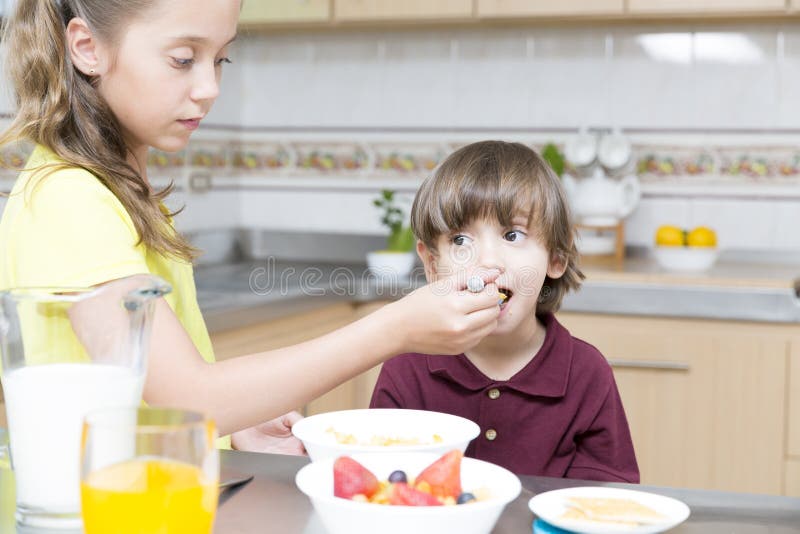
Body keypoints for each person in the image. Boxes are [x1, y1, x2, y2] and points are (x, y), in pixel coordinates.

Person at [0, 0, 503, 452]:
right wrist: (394, 328)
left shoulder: (111, 191)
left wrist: (231, 425)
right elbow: (186, 395)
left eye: (220, 59)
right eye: (182, 59)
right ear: (87, 48)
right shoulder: (67, 198)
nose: (209, 88)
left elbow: (153, 399)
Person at [370, 141, 640, 482]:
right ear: (432, 263)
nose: (488, 261)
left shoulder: (586, 374)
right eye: (460, 240)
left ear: (557, 257)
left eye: (512, 235)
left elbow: (604, 501)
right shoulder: (406, 368)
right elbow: (381, 487)